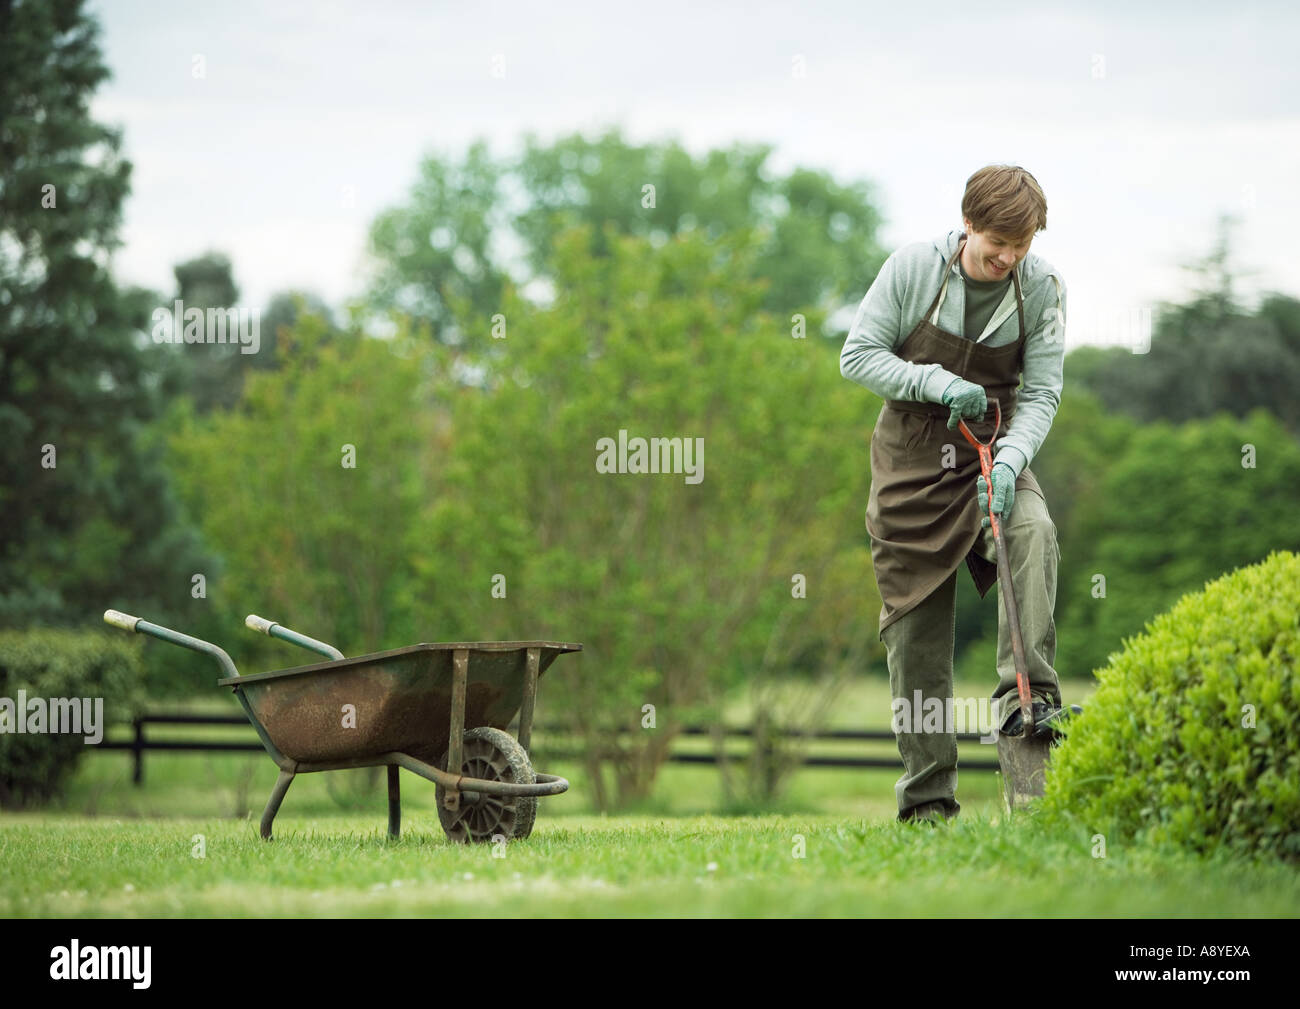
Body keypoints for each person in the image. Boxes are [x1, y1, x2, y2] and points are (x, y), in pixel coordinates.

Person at [839, 164, 1073, 824]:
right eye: (997, 242)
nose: (1007, 257)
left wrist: (1010, 464)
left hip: (993, 450)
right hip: (912, 460)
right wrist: (938, 383)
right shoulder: (915, 268)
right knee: (915, 640)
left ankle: (1030, 728)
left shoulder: (1043, 287)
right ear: (967, 223)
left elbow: (1042, 392)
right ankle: (928, 805)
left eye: (1021, 245)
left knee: (1033, 531)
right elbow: (857, 354)